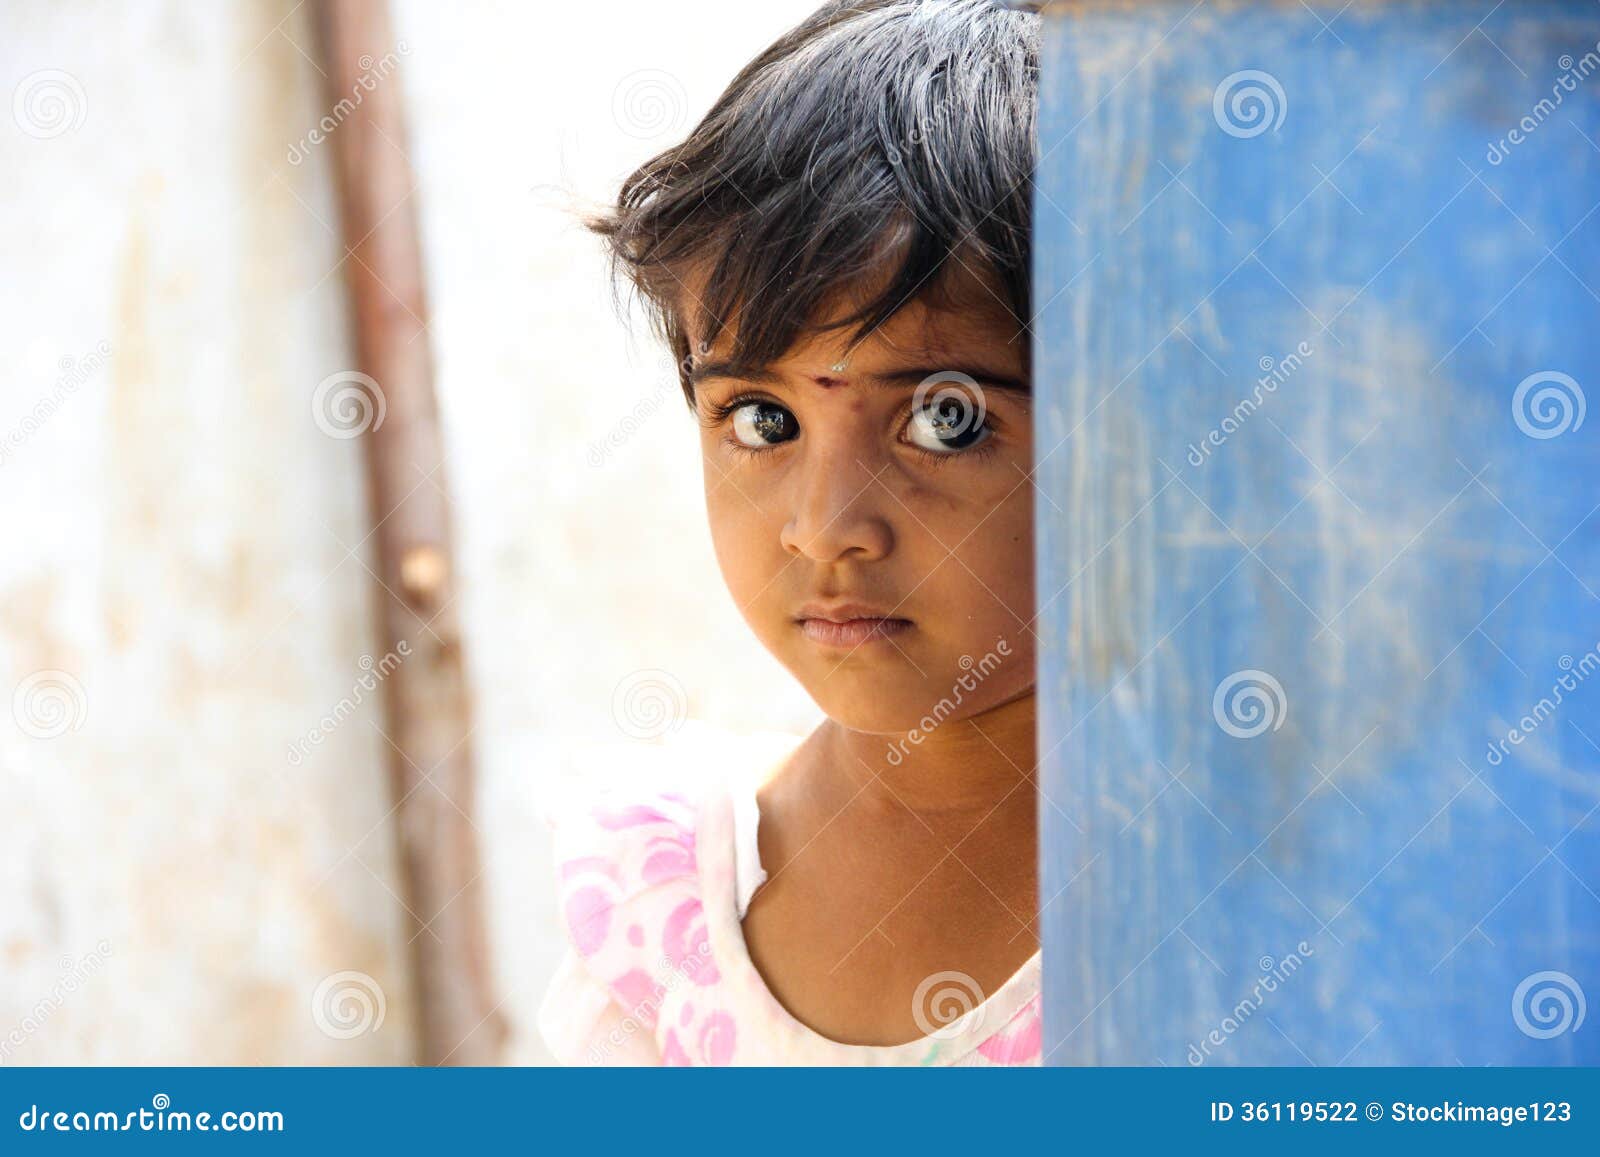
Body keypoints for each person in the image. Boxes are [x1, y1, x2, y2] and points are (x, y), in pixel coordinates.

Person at [539, 0, 1043, 1065]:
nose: (824, 529)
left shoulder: (1250, 888)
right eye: (761, 420)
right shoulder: (670, 905)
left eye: (943, 420)